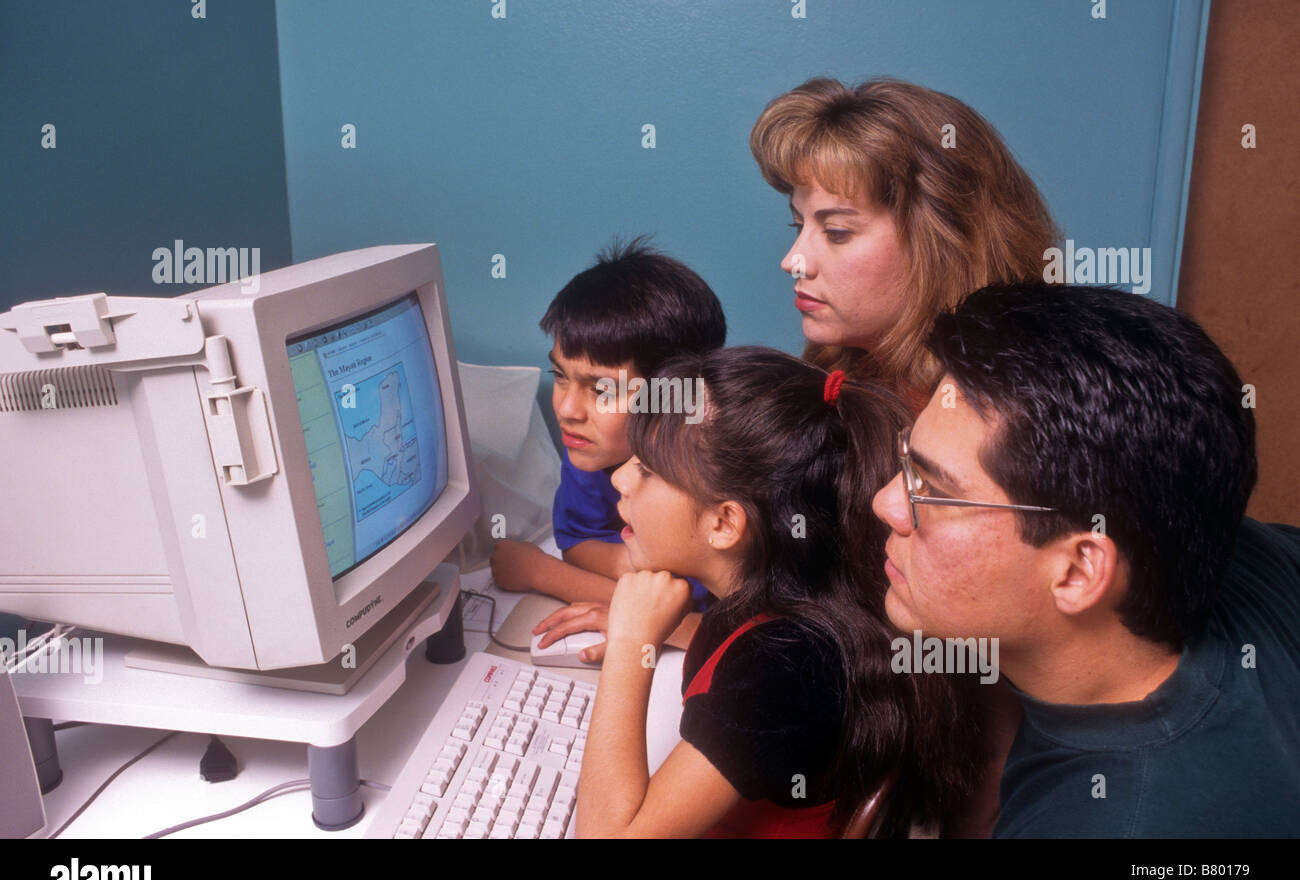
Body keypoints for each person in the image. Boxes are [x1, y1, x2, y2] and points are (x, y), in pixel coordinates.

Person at [871, 281, 1300, 836]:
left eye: (932, 489)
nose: (885, 503)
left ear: (1077, 572)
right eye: (909, 460)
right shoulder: (1221, 541)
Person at [576, 346, 983, 836]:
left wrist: (629, 646)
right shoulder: (788, 608)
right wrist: (660, 626)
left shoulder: (783, 671)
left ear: (724, 522)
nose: (619, 479)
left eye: (647, 470)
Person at [749, 77, 1059, 412]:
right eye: (798, 226)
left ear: (941, 245)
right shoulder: (832, 385)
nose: (794, 260)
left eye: (836, 232)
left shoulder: (1015, 419)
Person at [489, 238, 726, 661]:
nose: (566, 409)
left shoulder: (720, 472)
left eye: (602, 389)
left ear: (673, 395)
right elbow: (577, 540)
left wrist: (542, 574)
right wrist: (641, 571)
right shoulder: (590, 445)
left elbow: (689, 611)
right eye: (560, 376)